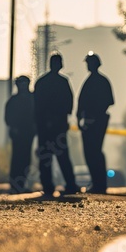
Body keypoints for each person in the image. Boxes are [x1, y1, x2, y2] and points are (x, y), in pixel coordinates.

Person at [34, 53, 78, 196]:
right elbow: (69, 104)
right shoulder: (63, 82)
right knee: (63, 157)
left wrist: (41, 123)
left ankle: (48, 187)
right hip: (58, 127)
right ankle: (70, 184)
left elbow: (36, 106)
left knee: (46, 158)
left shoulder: (41, 82)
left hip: (44, 128)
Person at [76, 52, 114, 194]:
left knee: (94, 152)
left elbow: (108, 102)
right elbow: (81, 104)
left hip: (96, 122)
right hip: (90, 122)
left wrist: (93, 116)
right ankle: (97, 183)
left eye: (89, 63)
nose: (88, 66)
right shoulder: (93, 81)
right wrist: (80, 118)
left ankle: (99, 184)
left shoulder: (99, 81)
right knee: (90, 152)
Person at [5, 75, 36, 193]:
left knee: (24, 159)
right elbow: (8, 118)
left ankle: (20, 184)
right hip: (19, 134)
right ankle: (16, 185)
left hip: (27, 134)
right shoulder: (15, 101)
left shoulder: (31, 99)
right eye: (20, 83)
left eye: (24, 83)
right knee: (18, 158)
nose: (22, 86)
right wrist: (14, 128)